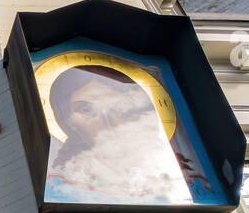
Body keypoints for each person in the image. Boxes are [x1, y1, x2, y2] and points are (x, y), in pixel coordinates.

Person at [45, 64, 195, 204]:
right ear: (68, 122)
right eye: (85, 109)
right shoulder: (64, 180)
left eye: (115, 106)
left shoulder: (165, 173)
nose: (107, 120)